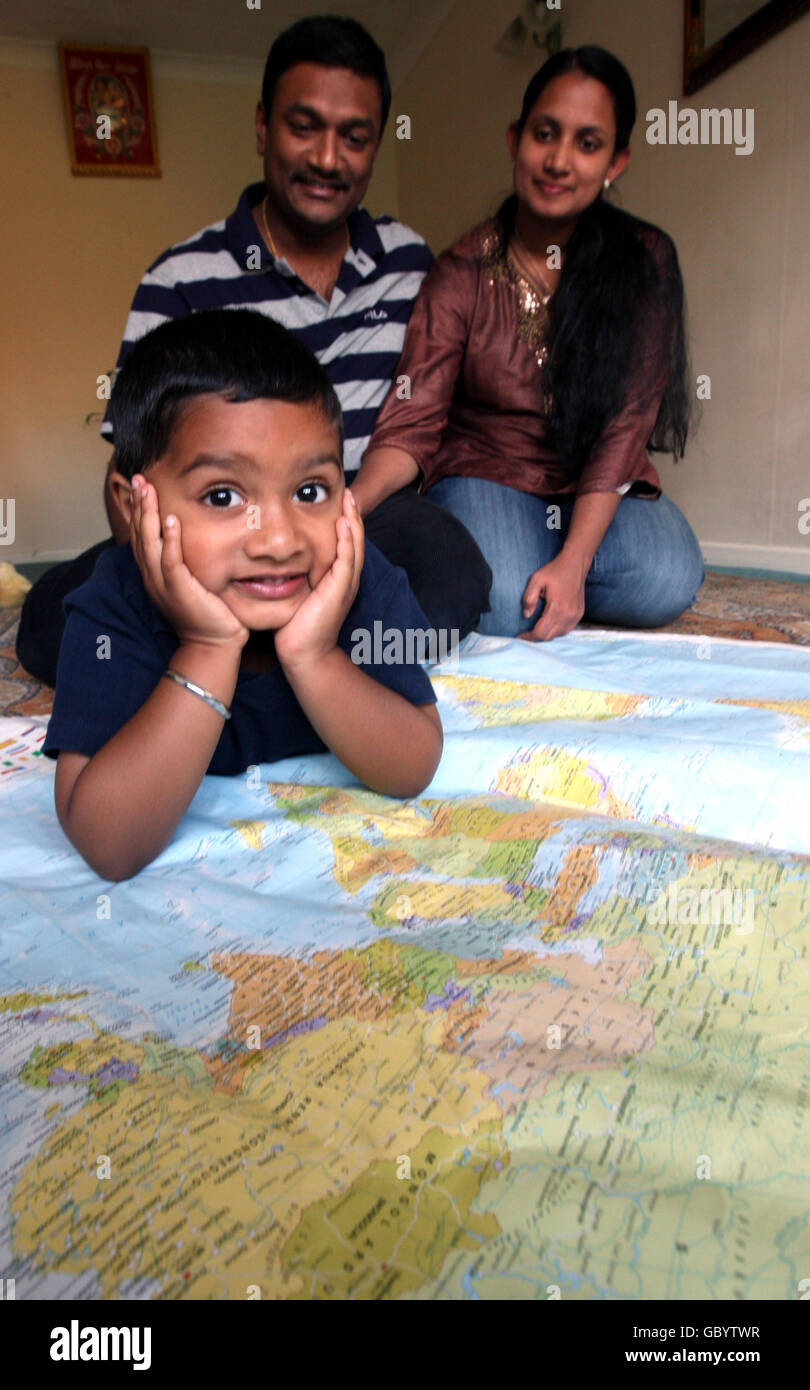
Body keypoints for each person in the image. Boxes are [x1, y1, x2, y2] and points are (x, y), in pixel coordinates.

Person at [17, 15, 490, 686]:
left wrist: (335, 520)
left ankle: (251, 670)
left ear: (377, 145)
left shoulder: (408, 263)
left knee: (452, 575)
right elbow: (131, 465)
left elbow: (429, 412)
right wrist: (169, 583)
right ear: (263, 127)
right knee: (50, 618)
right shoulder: (179, 278)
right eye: (304, 127)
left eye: (354, 138)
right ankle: (274, 665)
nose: (328, 159)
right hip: (218, 534)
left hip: (359, 519)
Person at [43, 311, 443, 881]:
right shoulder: (113, 610)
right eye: (223, 496)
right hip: (113, 594)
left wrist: (315, 655)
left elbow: (413, 767)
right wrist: (207, 646)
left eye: (310, 490)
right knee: (46, 628)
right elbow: (109, 846)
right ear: (133, 506)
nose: (279, 541)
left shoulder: (358, 581)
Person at [352, 46, 705, 640]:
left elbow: (628, 423)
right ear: (516, 138)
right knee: (496, 600)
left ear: (615, 161)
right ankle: (530, 566)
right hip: (489, 470)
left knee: (668, 579)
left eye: (587, 144)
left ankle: (553, 568)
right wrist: (345, 511)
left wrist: (573, 562)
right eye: (546, 134)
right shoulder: (461, 270)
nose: (560, 160)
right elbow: (413, 418)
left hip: (596, 479)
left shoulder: (644, 260)